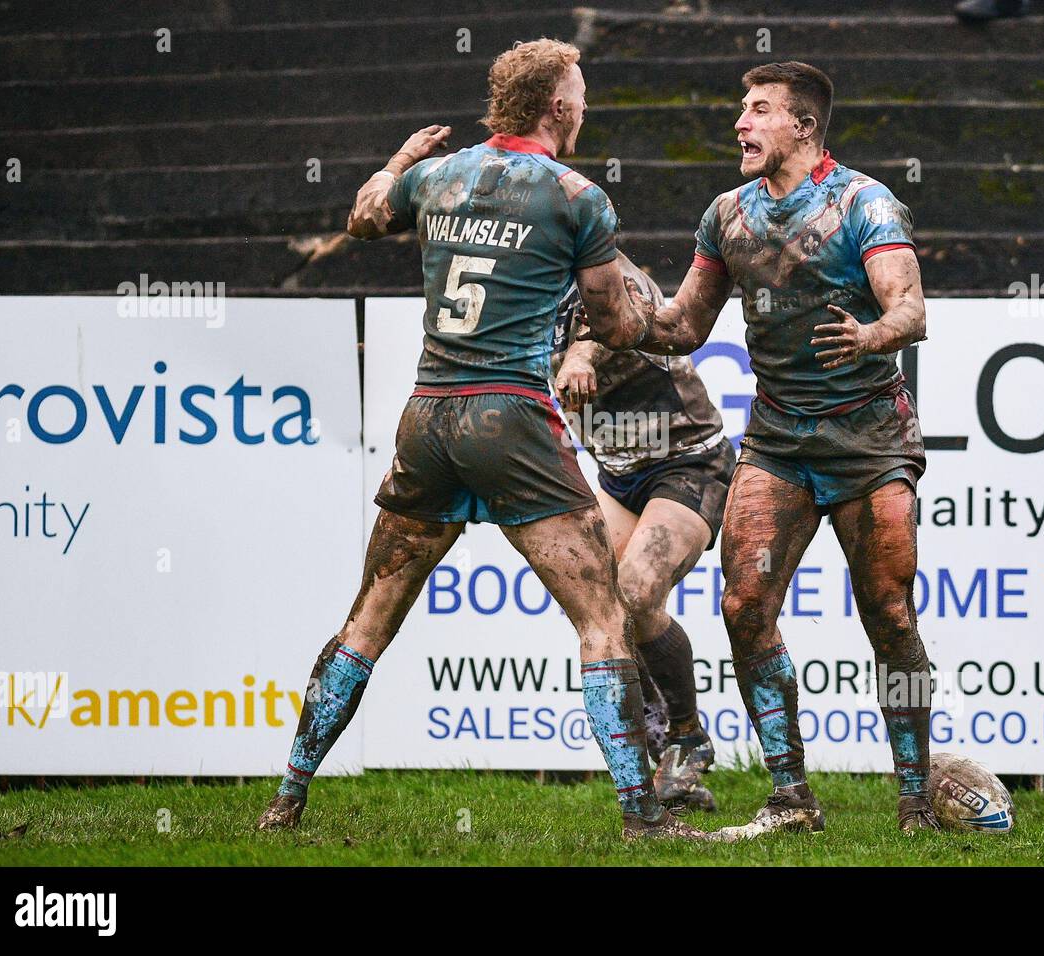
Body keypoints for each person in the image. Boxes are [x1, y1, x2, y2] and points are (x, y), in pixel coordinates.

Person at [256, 39, 707, 842]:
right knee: (602, 619)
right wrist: (652, 318)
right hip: (511, 419)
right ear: (558, 108)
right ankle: (645, 818)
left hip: (428, 414)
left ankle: (285, 800)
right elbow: (612, 324)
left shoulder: (438, 176)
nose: (586, 108)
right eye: (582, 95)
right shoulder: (577, 196)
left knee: (369, 619)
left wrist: (399, 155)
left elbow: (363, 216)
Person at [602, 61, 941, 836]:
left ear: (804, 125)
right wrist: (619, 324)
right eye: (741, 110)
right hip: (779, 440)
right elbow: (685, 325)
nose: (740, 125)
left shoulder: (864, 202)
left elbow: (911, 310)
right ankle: (792, 797)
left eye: (757, 111)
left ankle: (915, 797)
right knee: (743, 605)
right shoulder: (727, 213)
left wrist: (870, 334)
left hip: (870, 442)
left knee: (888, 614)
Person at [552, 250, 736, 813]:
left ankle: (687, 736)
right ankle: (668, 766)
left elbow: (635, 308)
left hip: (688, 460)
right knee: (603, 610)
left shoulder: (601, 264)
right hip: (619, 472)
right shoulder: (517, 284)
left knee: (637, 591)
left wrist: (582, 352)